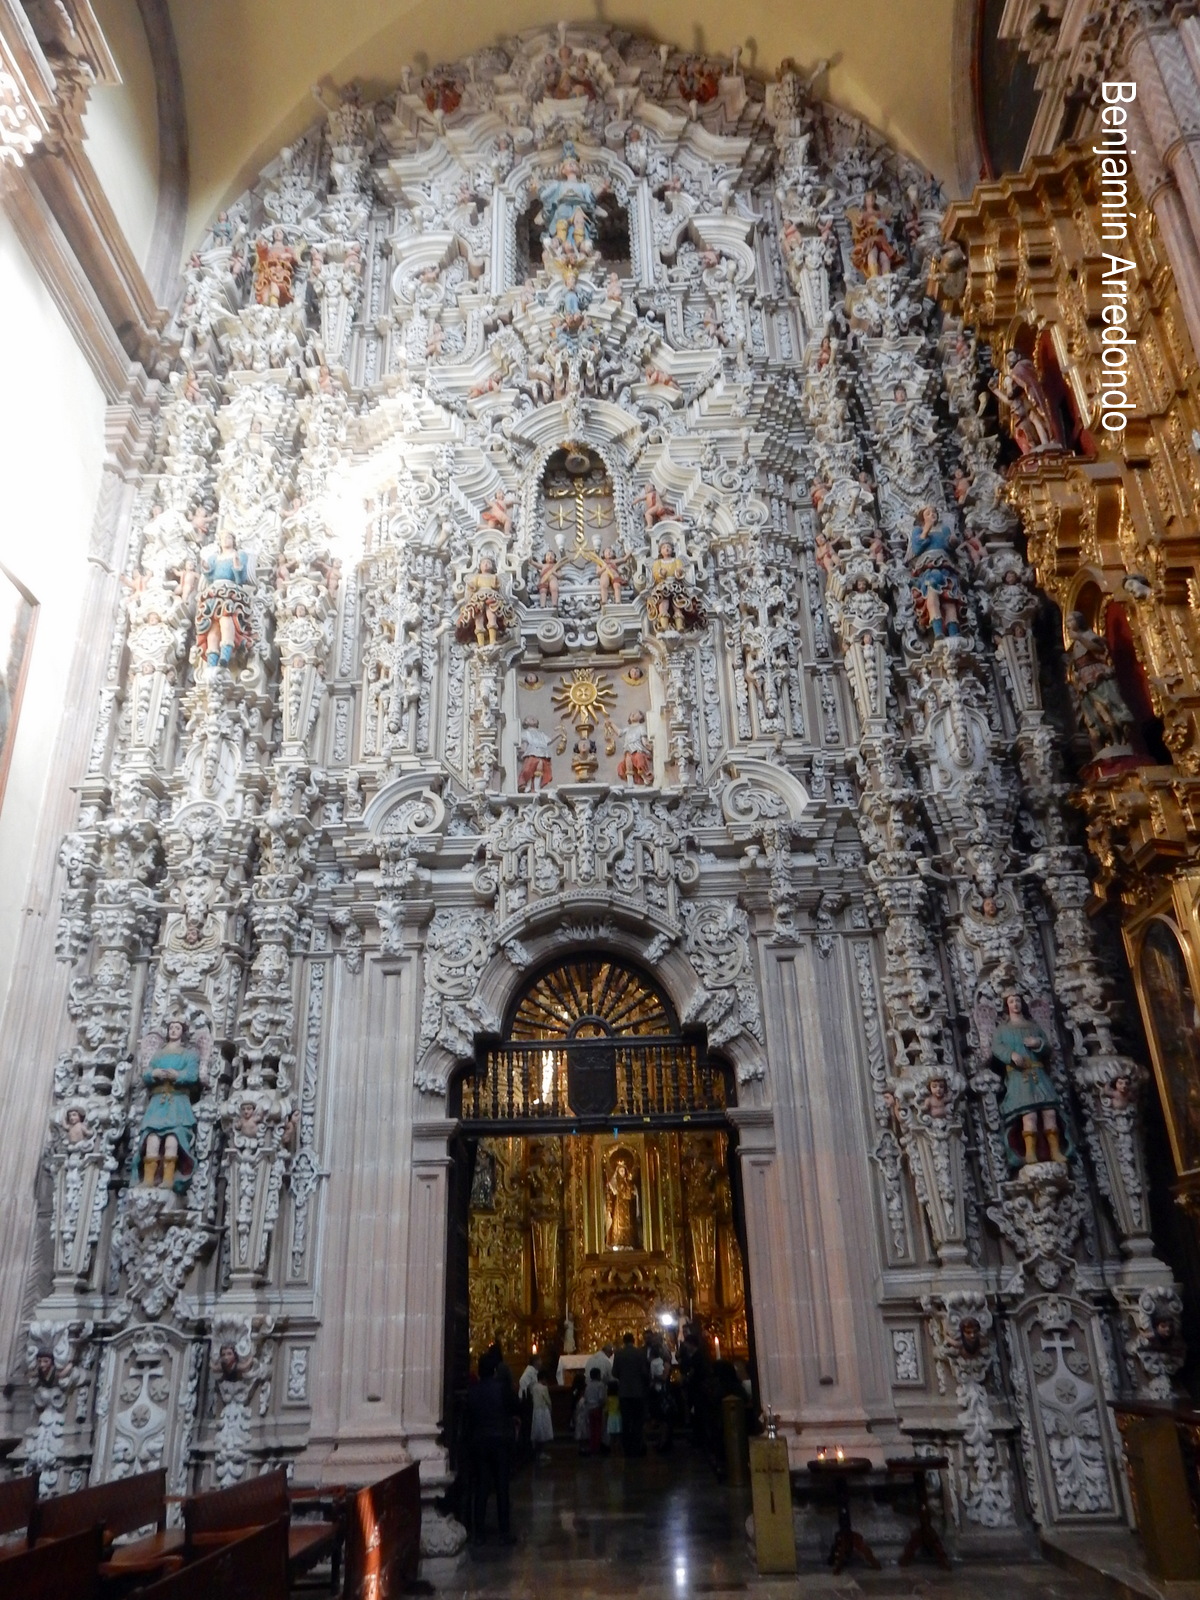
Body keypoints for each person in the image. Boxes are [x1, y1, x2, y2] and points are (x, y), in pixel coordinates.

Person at [465, 1349, 518, 1545]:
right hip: (501, 1441)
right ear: (495, 1370)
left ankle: (479, 1533)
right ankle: (504, 1532)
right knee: (502, 1487)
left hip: (480, 1441)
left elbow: (469, 1415)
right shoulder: (502, 1388)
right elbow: (515, 1406)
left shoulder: (473, 1390)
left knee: (482, 1487)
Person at [612, 1331, 650, 1457]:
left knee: (626, 1420)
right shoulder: (640, 1353)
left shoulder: (619, 1354)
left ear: (623, 1341)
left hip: (624, 1392)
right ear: (634, 1340)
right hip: (638, 1391)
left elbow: (614, 1373)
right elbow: (644, 1372)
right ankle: (638, 1447)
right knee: (638, 1421)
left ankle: (627, 1448)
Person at [530, 1369, 554, 1461]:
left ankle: (536, 1452)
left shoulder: (534, 1387)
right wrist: (550, 1409)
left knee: (537, 1432)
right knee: (543, 1433)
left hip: (536, 1411)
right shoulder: (544, 1388)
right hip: (543, 1411)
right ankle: (542, 1452)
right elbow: (547, 1400)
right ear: (544, 1379)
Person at [584, 1362, 607, 1455]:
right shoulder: (600, 1385)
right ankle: (597, 1447)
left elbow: (585, 1397)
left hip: (589, 1408)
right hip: (597, 1408)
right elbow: (601, 1397)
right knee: (598, 1429)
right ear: (598, 1375)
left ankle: (592, 1446)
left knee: (592, 1429)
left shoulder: (588, 1385)